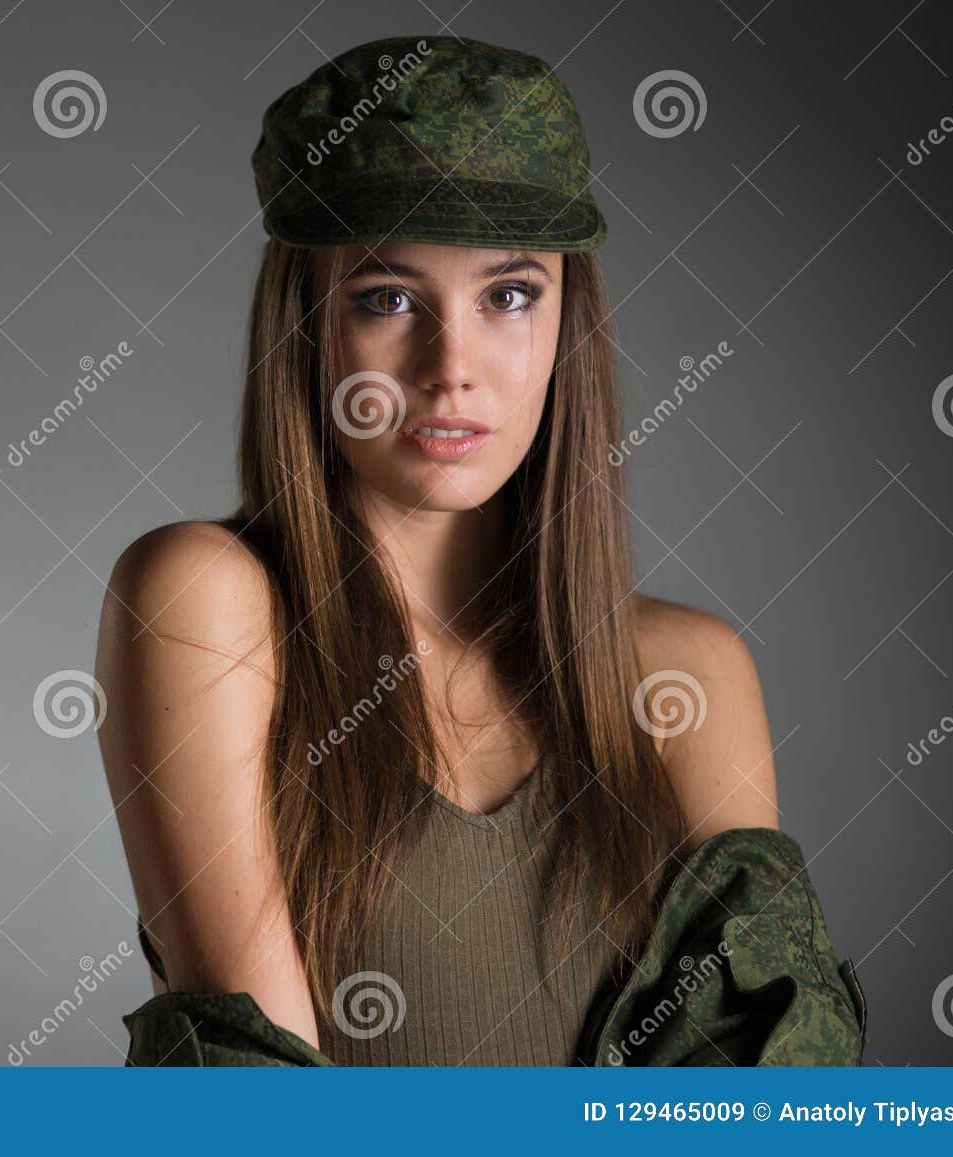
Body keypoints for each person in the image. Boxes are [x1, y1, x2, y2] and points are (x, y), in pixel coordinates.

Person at [93, 34, 865, 1067]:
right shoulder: (203, 598)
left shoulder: (686, 674)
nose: (450, 366)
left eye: (507, 295)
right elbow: (259, 1089)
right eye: (387, 298)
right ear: (307, 323)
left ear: (564, 321)